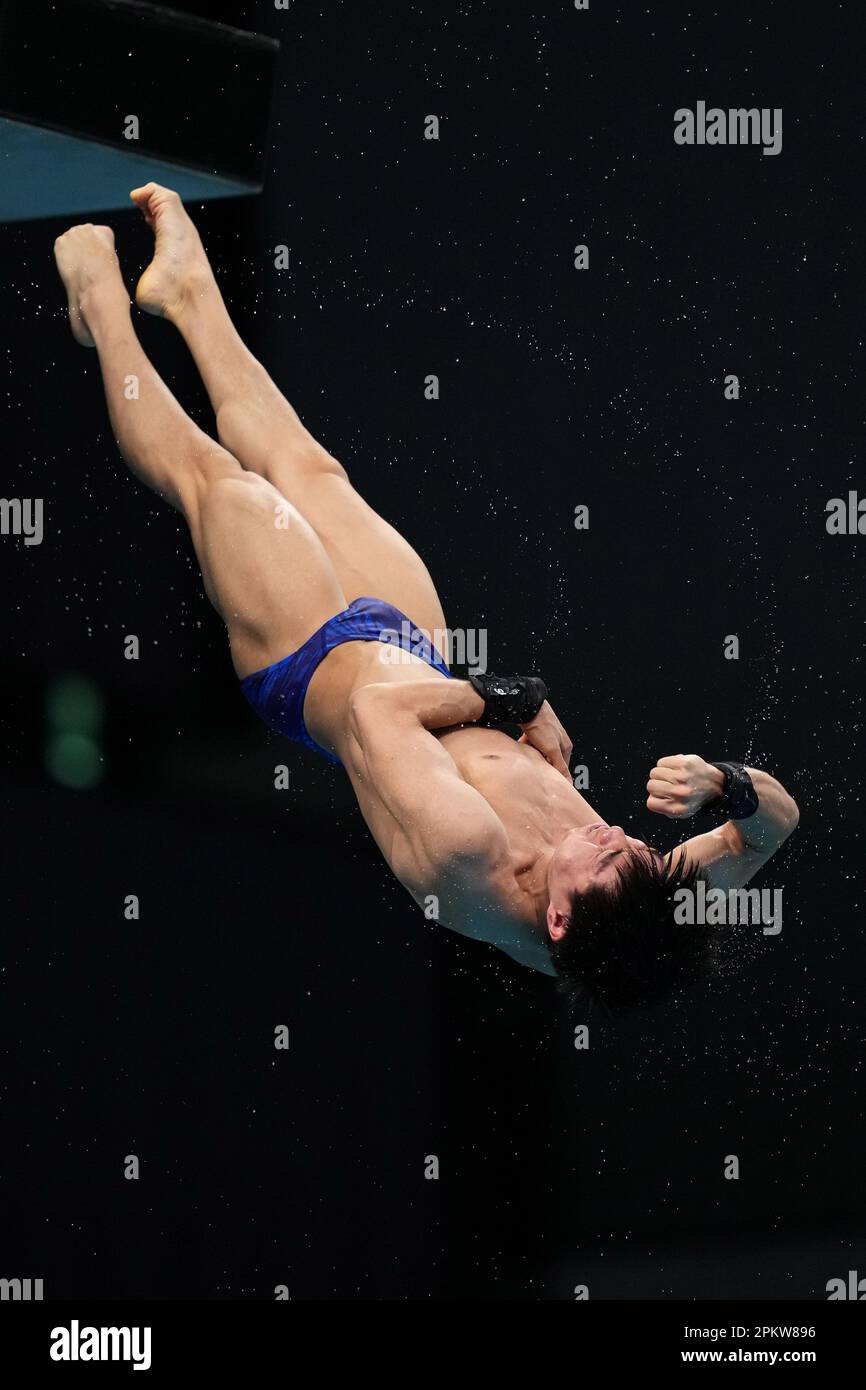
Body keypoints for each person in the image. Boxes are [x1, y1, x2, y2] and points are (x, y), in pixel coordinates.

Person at [53, 183, 799, 1014]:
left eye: (607, 857)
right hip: (415, 651)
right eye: (636, 848)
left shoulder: (465, 859)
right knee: (308, 467)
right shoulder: (631, 908)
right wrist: (726, 784)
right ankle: (188, 295)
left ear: (554, 919)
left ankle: (99, 304)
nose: (618, 834)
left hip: (311, 663)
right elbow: (776, 824)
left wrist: (502, 695)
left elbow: (380, 716)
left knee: (217, 482)